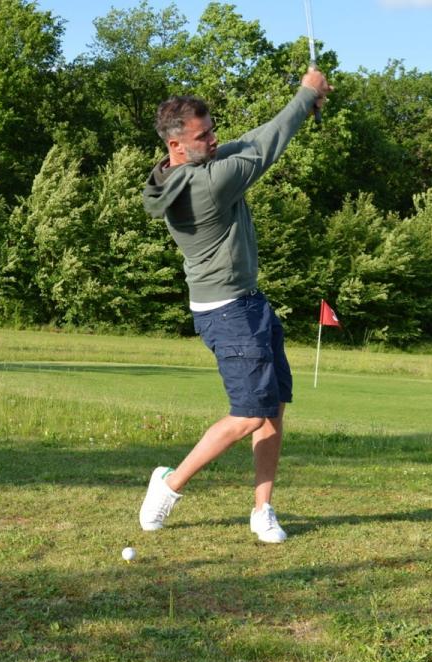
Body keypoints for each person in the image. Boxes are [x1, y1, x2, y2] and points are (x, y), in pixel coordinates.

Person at [138, 66, 333, 543]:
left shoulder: (188, 169)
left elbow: (246, 141)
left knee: (273, 410)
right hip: (226, 313)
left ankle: (262, 511)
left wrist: (304, 106)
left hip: (251, 304)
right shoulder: (208, 184)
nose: (215, 139)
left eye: (212, 130)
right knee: (248, 414)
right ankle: (169, 484)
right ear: (176, 146)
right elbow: (266, 145)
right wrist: (306, 94)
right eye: (205, 136)